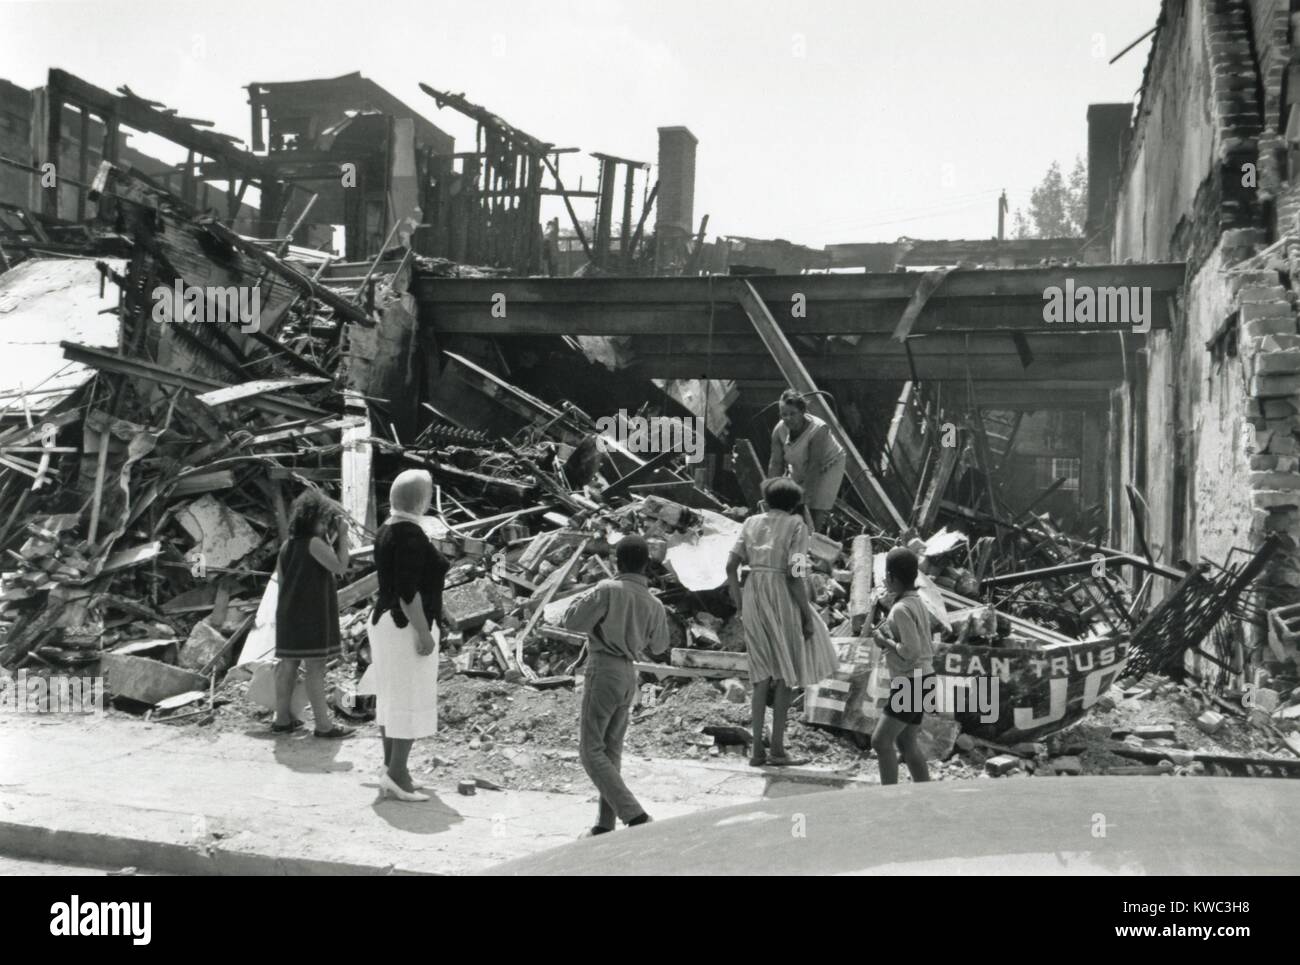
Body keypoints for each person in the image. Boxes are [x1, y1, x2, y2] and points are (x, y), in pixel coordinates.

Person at [726, 477, 839, 767]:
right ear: (794, 505)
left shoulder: (750, 522)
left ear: (767, 500)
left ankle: (756, 751)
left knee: (760, 676)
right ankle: (777, 750)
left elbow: (730, 566)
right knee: (786, 676)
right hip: (781, 596)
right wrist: (805, 613)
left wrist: (741, 604)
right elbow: (795, 573)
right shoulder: (798, 526)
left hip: (753, 594)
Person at [564, 534, 669, 836]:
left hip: (603, 668)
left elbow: (572, 622)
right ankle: (603, 825)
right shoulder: (654, 603)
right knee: (611, 752)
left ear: (616, 562)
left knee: (590, 751)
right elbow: (661, 646)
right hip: (629, 674)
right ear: (646, 565)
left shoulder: (608, 590)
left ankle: (634, 815)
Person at [366, 469, 449, 803]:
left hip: (384, 621)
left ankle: (392, 769)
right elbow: (407, 590)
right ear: (423, 500)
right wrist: (423, 632)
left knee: (391, 697)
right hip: (405, 624)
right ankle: (398, 774)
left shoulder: (388, 529)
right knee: (408, 698)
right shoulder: (412, 535)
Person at [272, 490, 354, 739]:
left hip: (288, 614)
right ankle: (323, 725)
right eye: (325, 520)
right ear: (314, 519)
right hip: (311, 615)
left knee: (288, 666)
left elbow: (281, 580)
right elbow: (340, 566)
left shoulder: (287, 546)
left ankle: (282, 719)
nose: (326, 525)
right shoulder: (314, 544)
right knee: (315, 668)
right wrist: (342, 536)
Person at [869, 546, 934, 785]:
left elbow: (911, 651)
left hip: (912, 682)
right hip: (923, 680)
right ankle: (924, 793)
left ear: (892, 577)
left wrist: (883, 640)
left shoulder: (901, 609)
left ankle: (889, 798)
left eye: (887, 575)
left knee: (880, 742)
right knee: (907, 743)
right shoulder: (917, 602)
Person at [767, 388, 847, 533]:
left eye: (793, 414)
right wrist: (771, 493)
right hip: (800, 462)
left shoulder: (818, 430)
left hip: (829, 464)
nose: (788, 418)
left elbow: (814, 466)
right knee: (788, 500)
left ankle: (809, 544)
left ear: (803, 412)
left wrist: (804, 498)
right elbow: (776, 463)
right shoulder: (779, 430)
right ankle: (792, 539)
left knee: (814, 507)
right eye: (784, 414)